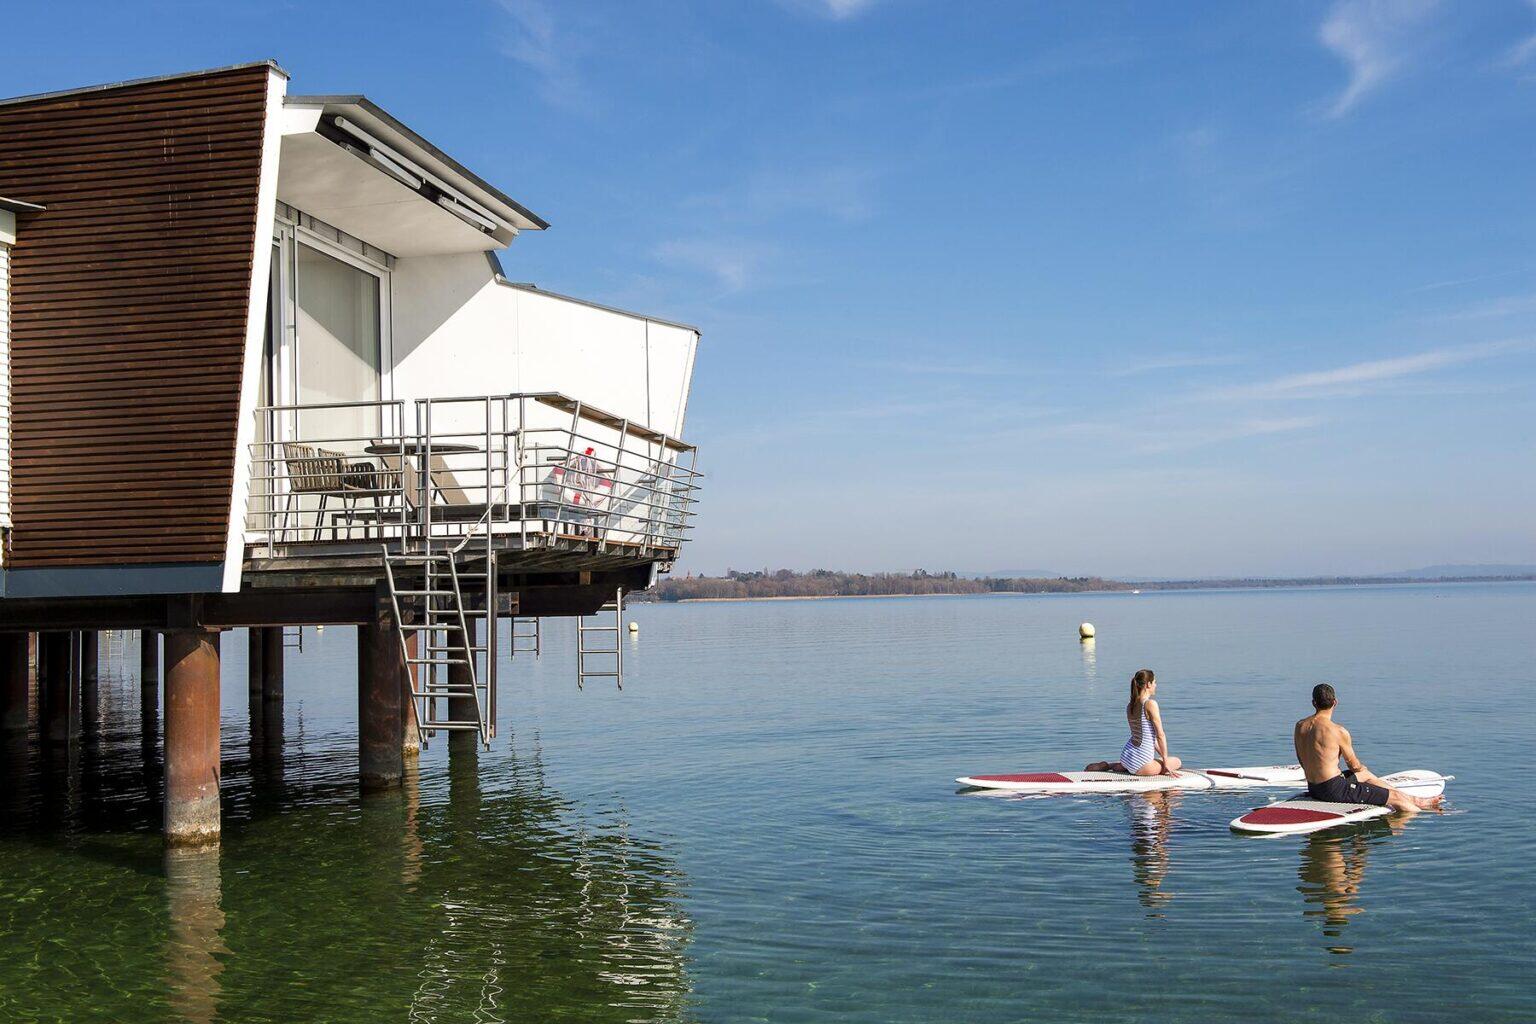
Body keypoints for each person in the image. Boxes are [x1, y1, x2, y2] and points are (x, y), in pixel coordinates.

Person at [1294, 683, 1442, 812]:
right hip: (1333, 791)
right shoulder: (1337, 731)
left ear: (1313, 703)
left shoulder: (1300, 726)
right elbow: (1354, 765)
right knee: (1396, 799)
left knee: (1366, 775)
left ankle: (1416, 800)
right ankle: (1415, 816)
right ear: (1335, 702)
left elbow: (1302, 760)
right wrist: (1359, 768)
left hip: (1313, 787)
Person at [1085, 669, 1182, 776]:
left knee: (1163, 760)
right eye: (1154, 682)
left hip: (1127, 757)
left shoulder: (1130, 706)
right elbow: (1160, 735)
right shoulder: (1150, 704)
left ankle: (1110, 765)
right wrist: (1166, 763)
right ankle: (1117, 766)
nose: (1156, 685)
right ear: (1148, 684)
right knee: (1177, 761)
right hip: (1142, 765)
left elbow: (1148, 737)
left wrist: (1164, 758)